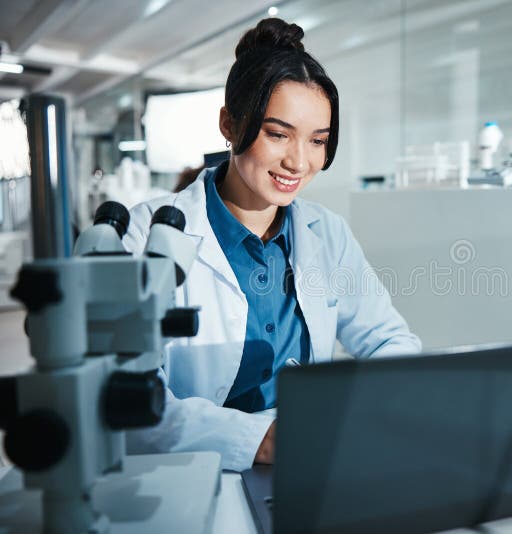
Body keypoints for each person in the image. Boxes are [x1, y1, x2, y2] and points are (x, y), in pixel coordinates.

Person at [122, 18, 421, 472]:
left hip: (307, 459)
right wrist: (259, 441)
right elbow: (129, 393)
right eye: (278, 134)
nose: (298, 162)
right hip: (193, 470)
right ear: (229, 123)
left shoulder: (327, 232)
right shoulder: (147, 233)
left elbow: (388, 339)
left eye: (317, 141)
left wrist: (375, 401)